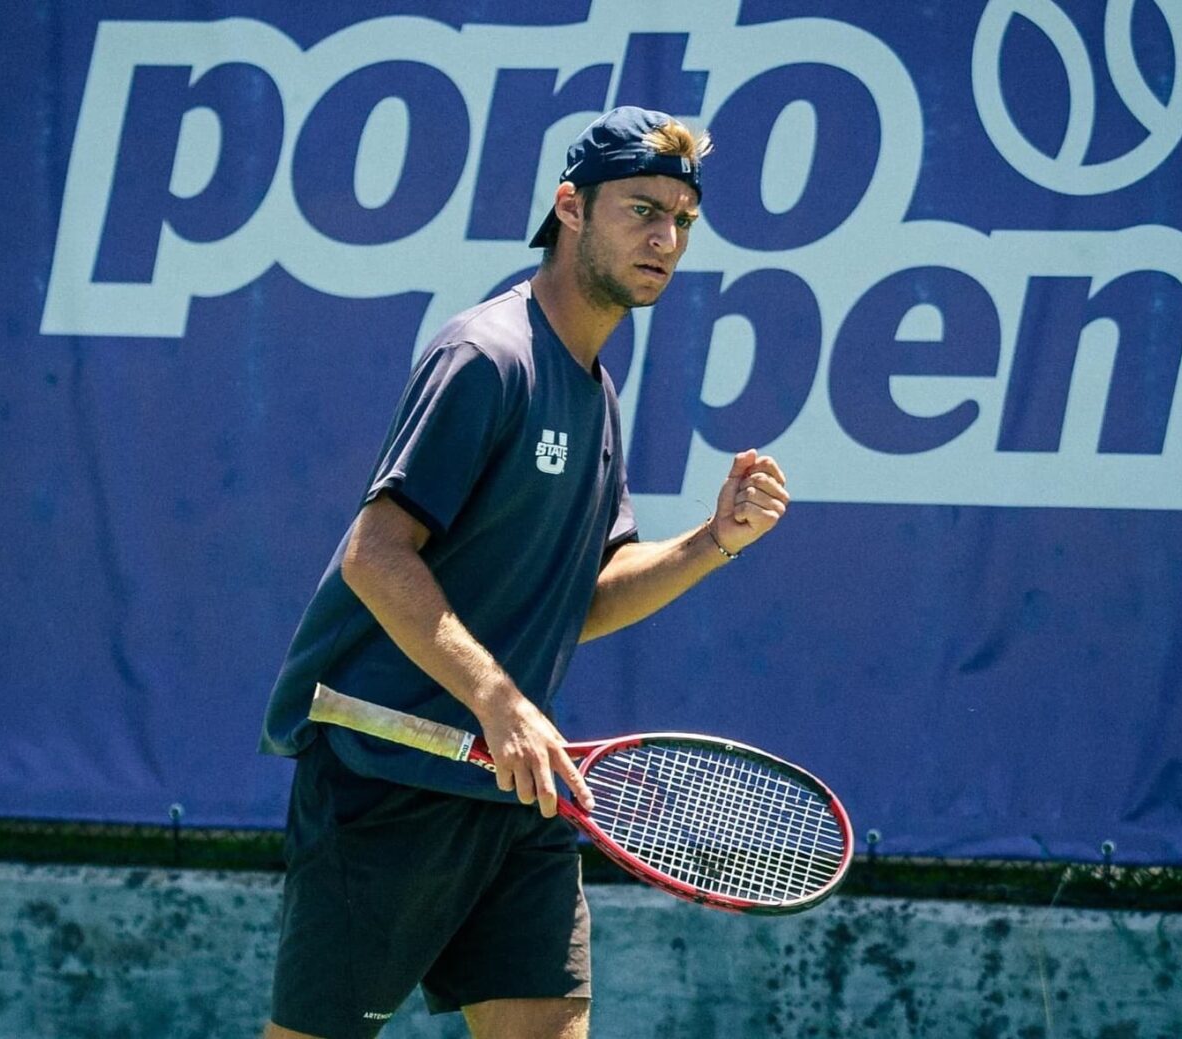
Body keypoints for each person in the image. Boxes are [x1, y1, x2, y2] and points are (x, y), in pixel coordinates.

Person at [258, 106, 790, 1039]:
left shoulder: (595, 392)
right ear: (570, 208)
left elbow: (578, 599)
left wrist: (712, 541)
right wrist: (501, 703)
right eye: (641, 210)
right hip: (392, 777)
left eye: (680, 219)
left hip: (518, 791)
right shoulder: (488, 356)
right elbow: (376, 554)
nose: (665, 239)